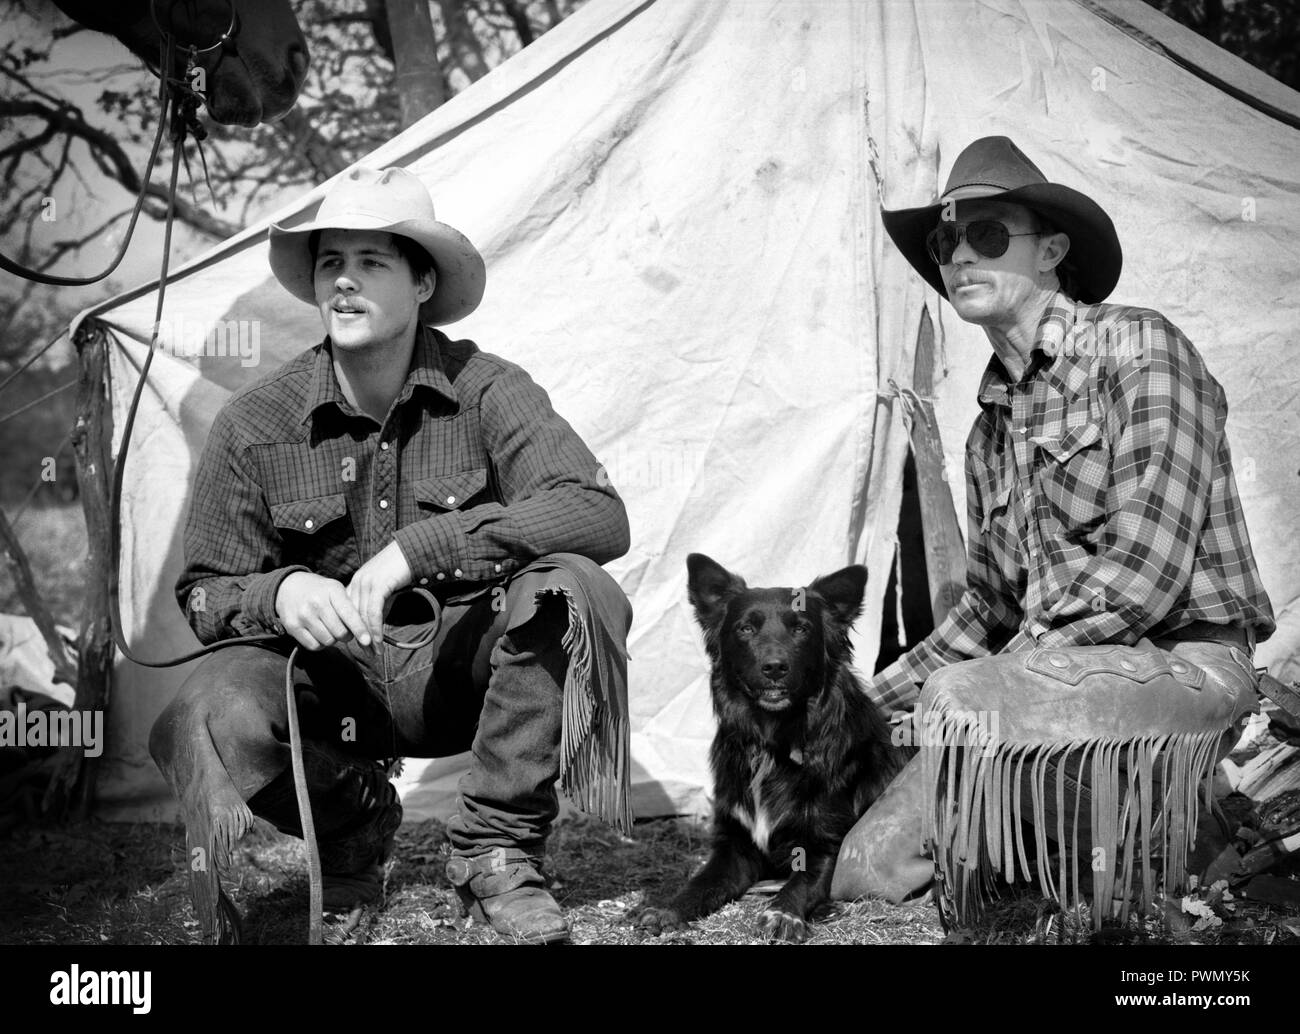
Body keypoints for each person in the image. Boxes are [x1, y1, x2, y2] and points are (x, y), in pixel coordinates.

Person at [149, 166, 633, 945]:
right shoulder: (252, 423)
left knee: (573, 589)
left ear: (421, 282)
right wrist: (278, 593)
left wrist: (425, 546)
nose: (344, 281)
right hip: (332, 690)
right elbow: (205, 594)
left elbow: (599, 514)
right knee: (213, 707)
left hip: (459, 677)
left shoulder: (488, 389)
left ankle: (496, 851)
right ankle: (352, 828)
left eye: (372, 262)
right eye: (331, 262)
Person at [830, 136, 1275, 921]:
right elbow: (987, 612)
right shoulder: (988, 430)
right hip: (1037, 684)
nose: (959, 255)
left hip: (1182, 666)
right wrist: (855, 701)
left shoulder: (1141, 352)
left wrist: (983, 679)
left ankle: (1184, 821)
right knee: (862, 869)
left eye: (988, 235)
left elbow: (1143, 580)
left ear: (1053, 251)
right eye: (944, 240)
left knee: (967, 705)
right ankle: (1101, 849)